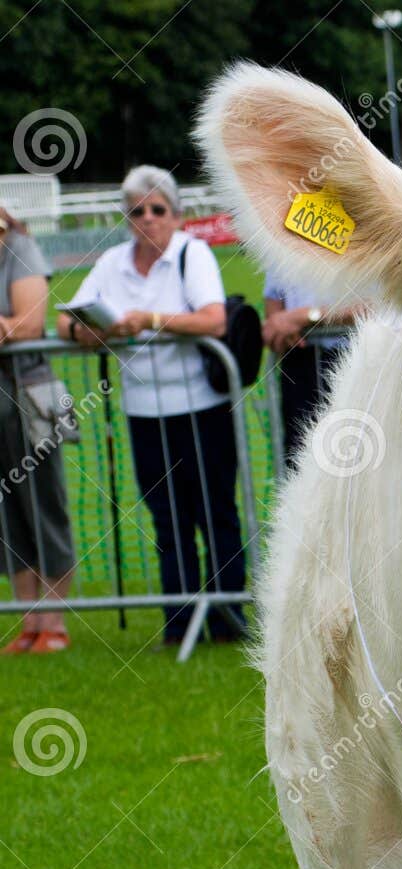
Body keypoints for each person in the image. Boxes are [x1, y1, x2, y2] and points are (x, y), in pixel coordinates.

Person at [57, 166, 246, 648]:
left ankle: (227, 619)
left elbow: (213, 319)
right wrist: (96, 331)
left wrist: (152, 320)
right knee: (167, 517)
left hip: (202, 407)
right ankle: (179, 622)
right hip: (143, 412)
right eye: (137, 211)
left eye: (157, 210)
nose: (147, 219)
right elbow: (66, 321)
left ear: (176, 215)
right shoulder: (113, 263)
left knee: (214, 510)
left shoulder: (193, 254)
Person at [0, 206, 74, 654]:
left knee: (43, 505)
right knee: (8, 518)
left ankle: (54, 626)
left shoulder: (20, 248)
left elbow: (30, 325)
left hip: (30, 400)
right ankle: (27, 625)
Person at [262, 279, 359, 466]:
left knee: (361, 455)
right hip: (300, 362)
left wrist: (307, 316)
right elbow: (273, 301)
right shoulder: (285, 249)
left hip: (355, 356)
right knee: (301, 459)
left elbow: (383, 305)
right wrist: (279, 325)